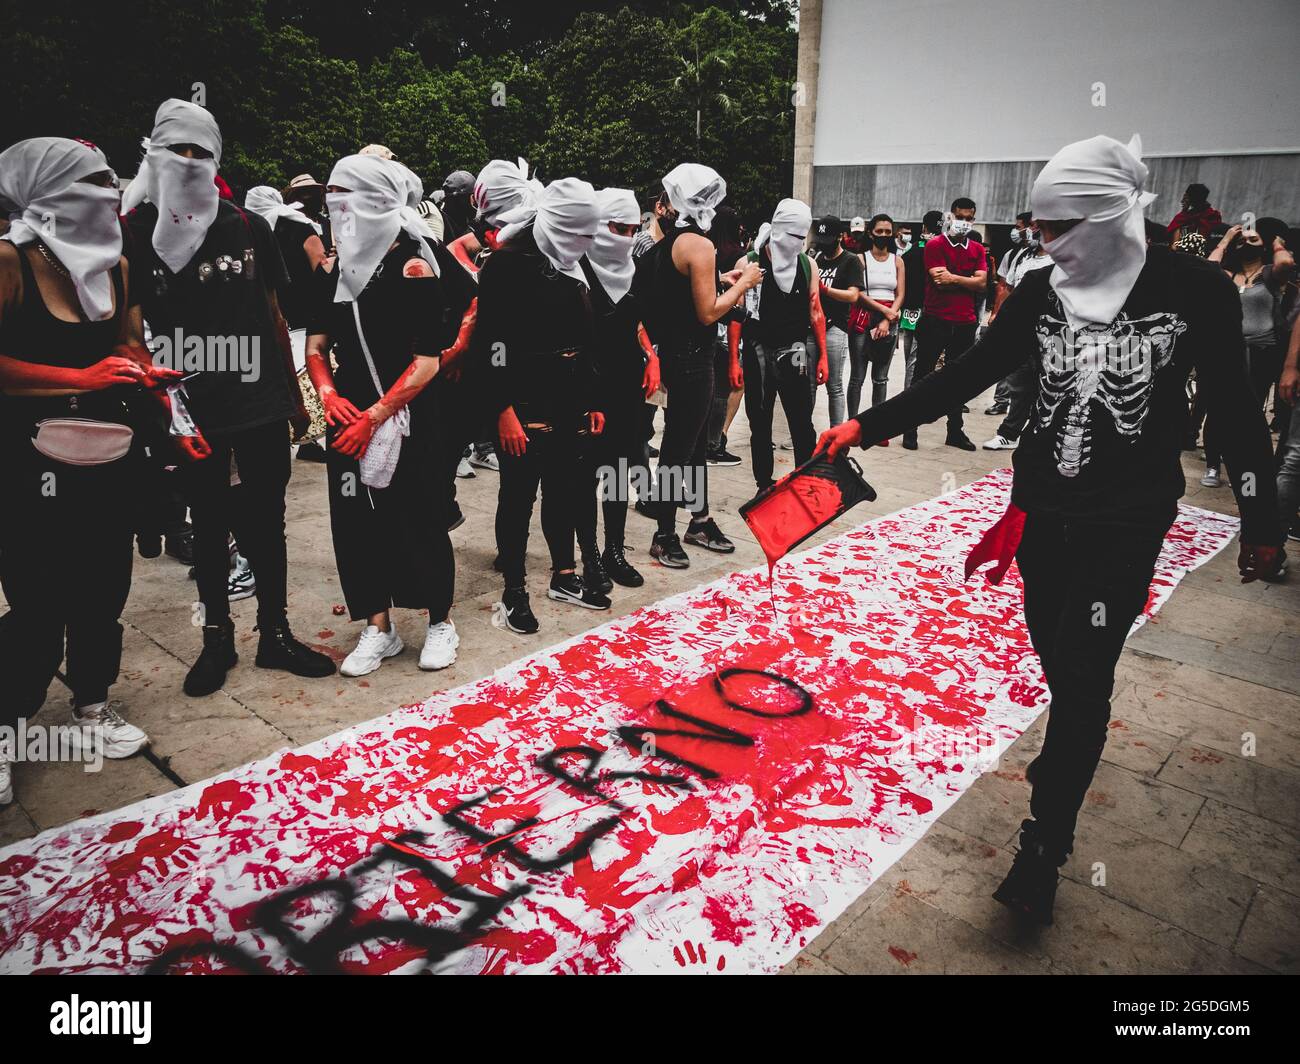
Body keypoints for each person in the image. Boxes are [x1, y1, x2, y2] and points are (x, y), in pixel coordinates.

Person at [817, 133, 1285, 926]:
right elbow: (968, 372)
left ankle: (1046, 840)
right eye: (1036, 226)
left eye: (1058, 227)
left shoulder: (1194, 288)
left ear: (1109, 216)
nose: (1042, 242)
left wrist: (1261, 520)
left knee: (1083, 668)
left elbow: (1237, 412)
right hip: (1042, 510)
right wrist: (867, 422)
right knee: (1059, 663)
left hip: (1126, 518)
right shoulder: (1040, 286)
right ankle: (1069, 749)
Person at [122, 99, 334, 697]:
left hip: (260, 399)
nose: (189, 164)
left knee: (268, 520)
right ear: (155, 155)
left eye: (201, 154)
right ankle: (217, 638)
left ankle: (275, 633)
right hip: (190, 405)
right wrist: (161, 410)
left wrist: (293, 395)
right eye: (178, 152)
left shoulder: (248, 226)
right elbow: (132, 334)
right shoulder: (134, 233)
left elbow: (271, 310)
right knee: (210, 523)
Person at [0, 138, 176, 797]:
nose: (110, 190)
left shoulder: (117, 266)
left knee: (105, 589)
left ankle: (90, 708)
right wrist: (78, 375)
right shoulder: (10, 261)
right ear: (48, 192)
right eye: (93, 181)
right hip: (29, 460)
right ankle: (6, 724)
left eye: (111, 180)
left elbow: (127, 342)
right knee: (39, 601)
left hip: (110, 453)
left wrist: (144, 370)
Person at [302, 154, 476, 677]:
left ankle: (440, 620)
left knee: (419, 516)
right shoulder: (335, 271)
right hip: (349, 410)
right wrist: (329, 395)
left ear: (377, 200)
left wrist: (374, 416)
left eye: (344, 193)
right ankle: (379, 626)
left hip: (410, 410)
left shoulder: (413, 264)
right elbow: (315, 344)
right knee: (355, 520)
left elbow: (426, 361)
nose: (335, 205)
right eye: (330, 195)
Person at [477, 178, 608, 633]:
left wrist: (593, 396)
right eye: (580, 235)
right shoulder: (504, 265)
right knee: (518, 495)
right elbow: (491, 343)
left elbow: (588, 334)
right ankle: (514, 589)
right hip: (522, 396)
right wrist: (502, 409)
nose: (586, 245)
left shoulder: (571, 262)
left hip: (571, 393)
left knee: (565, 488)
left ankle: (564, 573)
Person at [640, 164, 760, 568]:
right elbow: (708, 313)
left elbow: (681, 297)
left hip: (676, 354)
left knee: (688, 447)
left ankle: (699, 519)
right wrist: (744, 283)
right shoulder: (700, 245)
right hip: (693, 358)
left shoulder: (670, 241)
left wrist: (722, 279)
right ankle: (664, 534)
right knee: (680, 447)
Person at [577, 186, 662, 591]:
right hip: (587, 382)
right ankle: (589, 553)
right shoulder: (576, 266)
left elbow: (637, 320)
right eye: (617, 227)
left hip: (627, 379)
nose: (626, 237)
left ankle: (614, 549)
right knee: (587, 471)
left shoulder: (635, 267)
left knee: (620, 468)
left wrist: (651, 355)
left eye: (633, 229)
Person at [728, 198, 823, 493]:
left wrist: (823, 358)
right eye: (793, 235)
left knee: (801, 419)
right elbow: (736, 316)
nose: (798, 243)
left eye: (803, 237)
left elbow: (816, 311)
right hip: (758, 350)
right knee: (760, 419)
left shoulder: (808, 264)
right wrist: (734, 360)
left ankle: (805, 478)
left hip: (795, 350)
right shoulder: (749, 264)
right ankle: (763, 483)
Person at [1200, 221, 1295, 487]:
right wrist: (1228, 238)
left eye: (1254, 240)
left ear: (1264, 245)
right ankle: (1212, 466)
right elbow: (1208, 267)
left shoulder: (1271, 275)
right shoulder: (1228, 275)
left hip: (1262, 353)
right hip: (1226, 352)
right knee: (1216, 409)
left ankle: (1241, 467)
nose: (1247, 243)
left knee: (1248, 413)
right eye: (1243, 240)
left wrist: (1277, 242)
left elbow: (1286, 263)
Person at [909, 196, 985, 451]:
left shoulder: (976, 248)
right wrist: (967, 279)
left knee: (959, 378)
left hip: (965, 321)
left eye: (968, 218)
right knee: (922, 374)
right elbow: (938, 280)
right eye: (959, 217)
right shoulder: (935, 245)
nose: (964, 222)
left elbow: (983, 283)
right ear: (950, 216)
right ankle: (910, 427)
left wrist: (953, 277)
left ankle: (955, 430)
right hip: (936, 318)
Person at [983, 218, 1054, 451]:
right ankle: (1010, 432)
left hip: (1049, 333)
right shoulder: (1020, 256)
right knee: (1019, 384)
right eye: (1031, 226)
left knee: (1047, 386)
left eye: (1036, 226)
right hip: (1020, 329)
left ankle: (1040, 433)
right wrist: (997, 315)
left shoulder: (1060, 261)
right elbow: (1006, 287)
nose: (1030, 231)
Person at [810, 214, 863, 427]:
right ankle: (804, 428)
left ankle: (836, 431)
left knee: (834, 384)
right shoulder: (817, 259)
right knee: (809, 384)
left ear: (840, 237)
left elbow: (853, 296)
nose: (825, 246)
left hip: (837, 327)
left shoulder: (850, 260)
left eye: (829, 241)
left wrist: (826, 290)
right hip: (813, 325)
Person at [895, 209, 941, 447]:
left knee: (911, 365)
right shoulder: (941, 252)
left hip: (912, 313)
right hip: (932, 314)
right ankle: (910, 422)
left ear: (923, 228)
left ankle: (908, 422)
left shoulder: (910, 252)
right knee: (921, 366)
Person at [706, 205, 746, 465]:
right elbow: (738, 307)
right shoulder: (739, 257)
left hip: (707, 329)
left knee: (712, 388)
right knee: (729, 388)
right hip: (725, 330)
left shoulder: (706, 251)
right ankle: (716, 441)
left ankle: (709, 440)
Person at [857, 213, 905, 423]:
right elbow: (857, 292)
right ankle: (852, 421)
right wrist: (883, 312)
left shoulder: (898, 262)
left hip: (889, 321)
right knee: (857, 378)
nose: (883, 235)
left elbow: (900, 294)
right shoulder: (860, 259)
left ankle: (877, 424)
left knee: (881, 378)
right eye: (879, 232)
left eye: (887, 232)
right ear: (871, 233)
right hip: (864, 318)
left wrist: (888, 318)